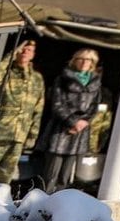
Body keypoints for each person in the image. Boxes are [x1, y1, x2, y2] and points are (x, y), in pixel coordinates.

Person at [0, 34, 44, 189]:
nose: (25, 52)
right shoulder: (6, 73)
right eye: (22, 49)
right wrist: (11, 54)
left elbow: (38, 108)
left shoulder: (36, 79)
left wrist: (32, 135)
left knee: (3, 181)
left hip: (19, 136)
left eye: (29, 50)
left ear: (33, 54)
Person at [35, 47, 103, 191]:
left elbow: (94, 106)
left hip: (80, 132)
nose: (84, 62)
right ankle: (43, 200)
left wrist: (83, 122)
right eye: (81, 59)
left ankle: (61, 201)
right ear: (74, 61)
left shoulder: (95, 83)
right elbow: (57, 104)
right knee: (50, 175)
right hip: (61, 130)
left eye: (88, 60)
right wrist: (72, 122)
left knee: (65, 176)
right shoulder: (62, 79)